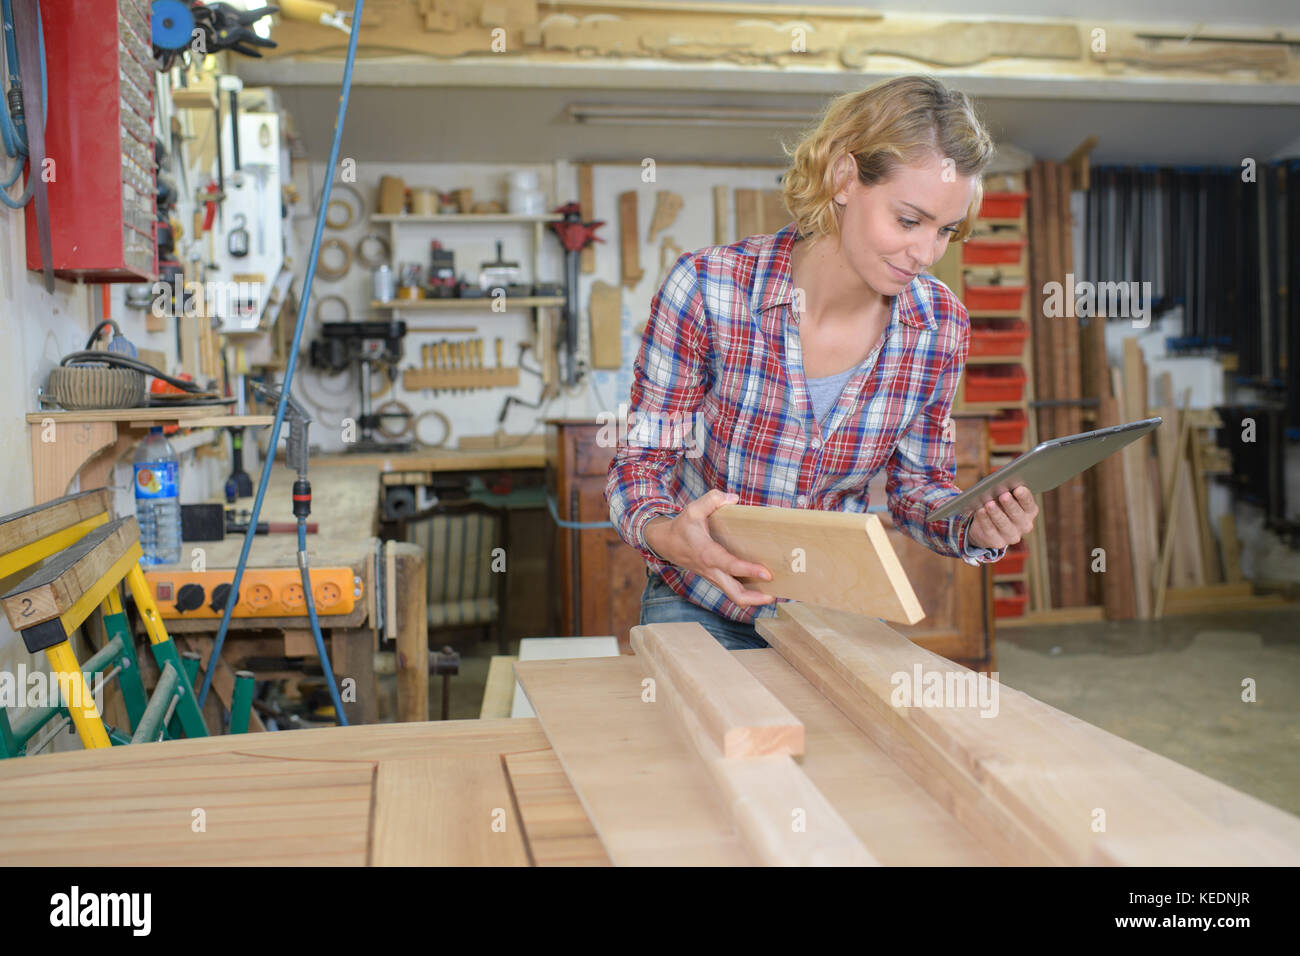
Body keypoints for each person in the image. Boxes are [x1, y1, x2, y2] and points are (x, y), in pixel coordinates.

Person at [606, 75, 1039, 650]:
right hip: (698, 600)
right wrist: (666, 534)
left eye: (946, 231)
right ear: (843, 177)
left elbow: (916, 490)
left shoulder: (940, 326)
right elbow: (640, 462)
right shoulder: (708, 288)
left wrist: (971, 525)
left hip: (834, 610)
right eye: (909, 221)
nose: (926, 253)